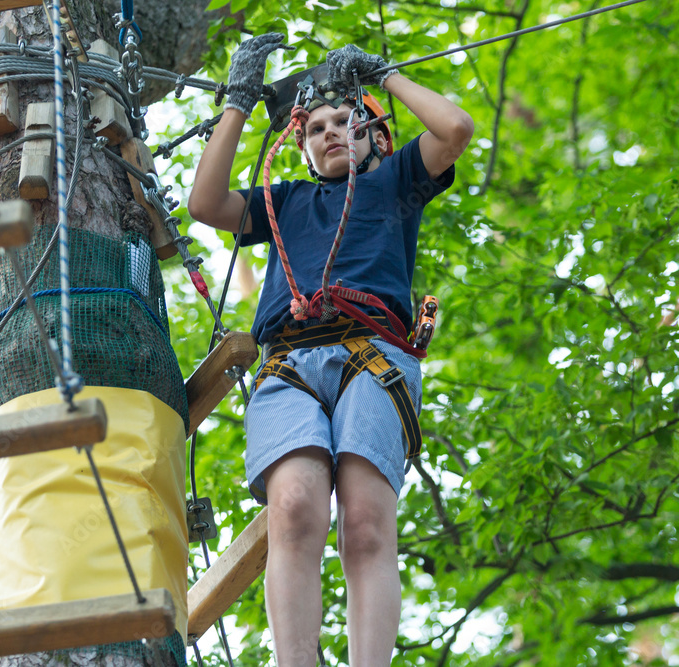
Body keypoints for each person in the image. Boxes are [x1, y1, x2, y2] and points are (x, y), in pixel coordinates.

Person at [188, 33, 473, 667]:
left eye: (346, 122)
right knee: (293, 509)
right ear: (302, 146)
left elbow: (455, 128)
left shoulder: (396, 181)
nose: (332, 134)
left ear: (375, 135)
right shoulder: (286, 201)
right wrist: (237, 101)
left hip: (371, 356)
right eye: (316, 129)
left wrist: (385, 74)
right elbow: (204, 203)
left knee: (365, 523)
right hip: (289, 364)